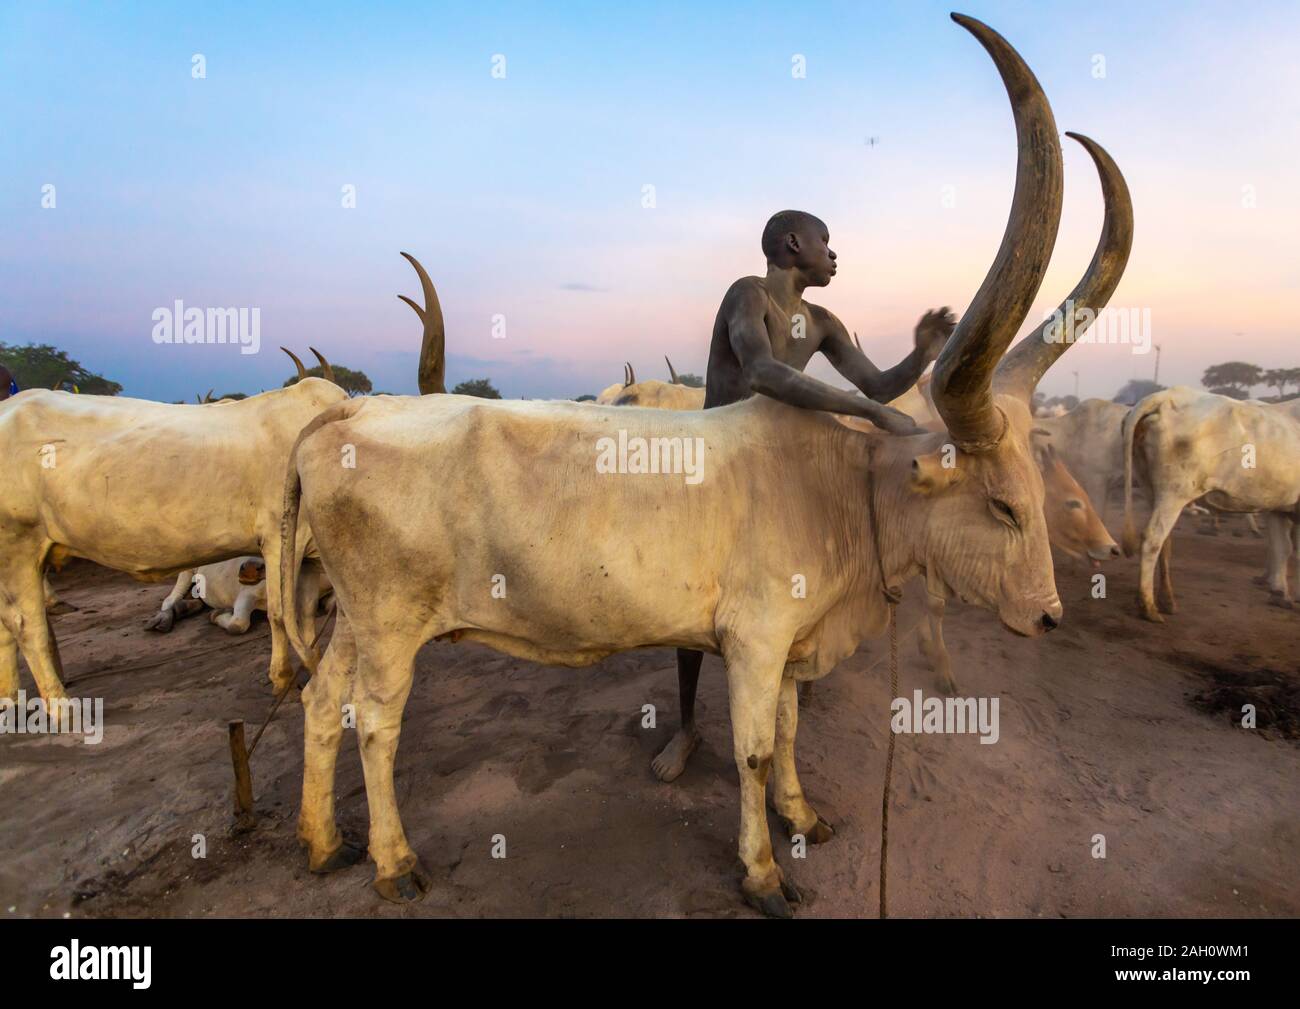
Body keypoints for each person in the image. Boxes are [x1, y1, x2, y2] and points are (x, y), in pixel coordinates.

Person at [651, 208, 956, 782]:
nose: (834, 255)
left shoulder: (821, 321)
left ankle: (787, 676)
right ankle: (687, 725)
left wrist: (922, 355)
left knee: (794, 583)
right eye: (826, 242)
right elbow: (763, 373)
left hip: (776, 468)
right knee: (692, 599)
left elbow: (878, 384)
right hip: (716, 461)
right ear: (793, 244)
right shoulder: (748, 296)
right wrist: (868, 412)